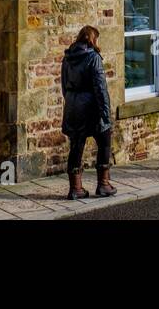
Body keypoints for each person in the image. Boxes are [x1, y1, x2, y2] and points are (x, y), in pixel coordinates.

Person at [60, 25, 116, 199]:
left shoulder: (68, 57)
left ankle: (75, 189)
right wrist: (106, 115)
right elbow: (101, 89)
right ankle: (104, 185)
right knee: (105, 141)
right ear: (93, 39)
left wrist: (71, 102)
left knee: (76, 146)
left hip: (73, 106)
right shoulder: (93, 57)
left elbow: (64, 85)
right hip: (92, 106)